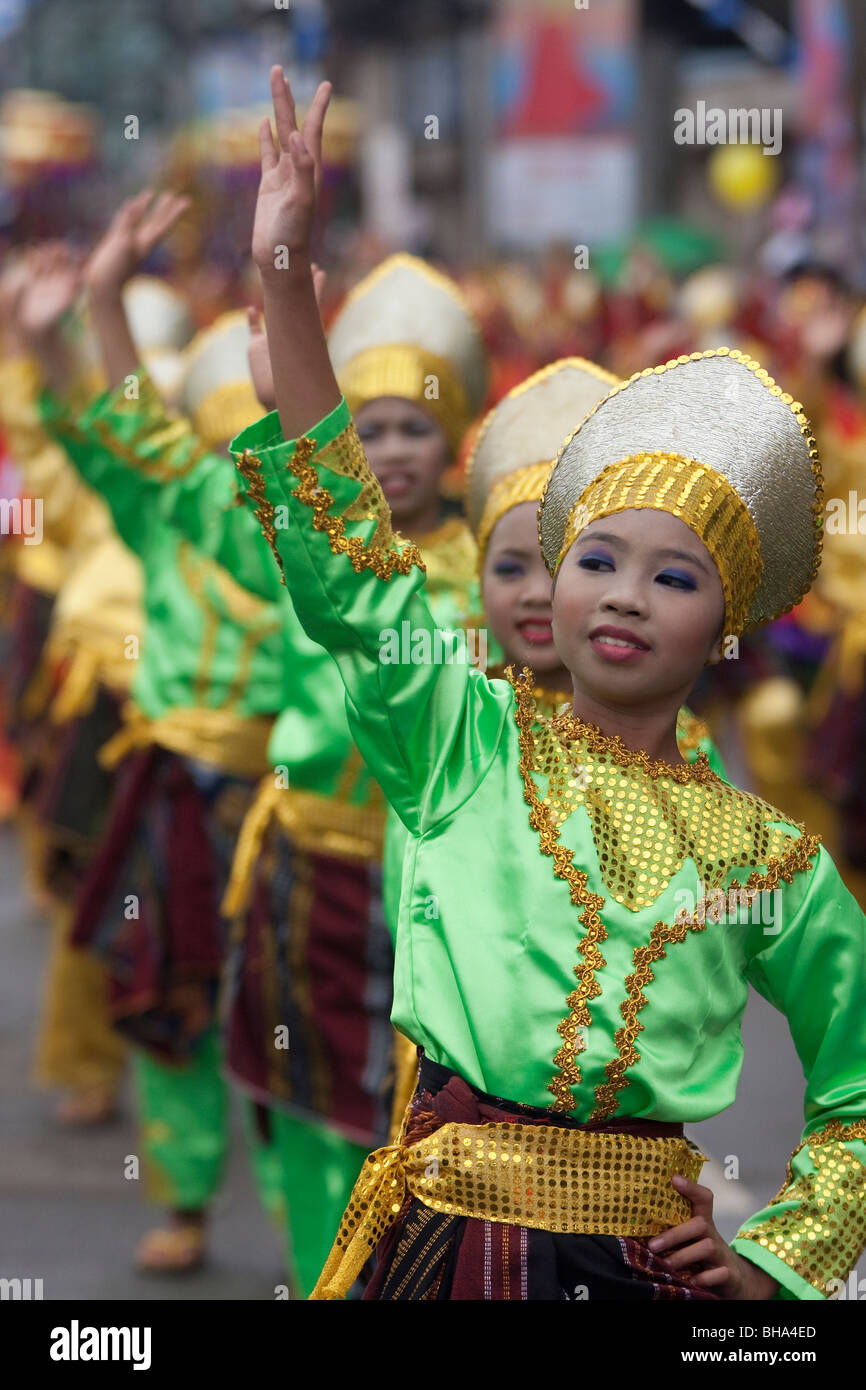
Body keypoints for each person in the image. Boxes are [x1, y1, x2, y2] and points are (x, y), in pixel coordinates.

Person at [228, 68, 866, 1301]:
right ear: (546, 587)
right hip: (445, 1248)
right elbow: (353, 565)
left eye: (672, 579)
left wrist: (780, 1261)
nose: (625, 595)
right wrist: (283, 280)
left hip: (649, 1271)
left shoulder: (769, 863)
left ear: (719, 628)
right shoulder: (460, 738)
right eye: (597, 561)